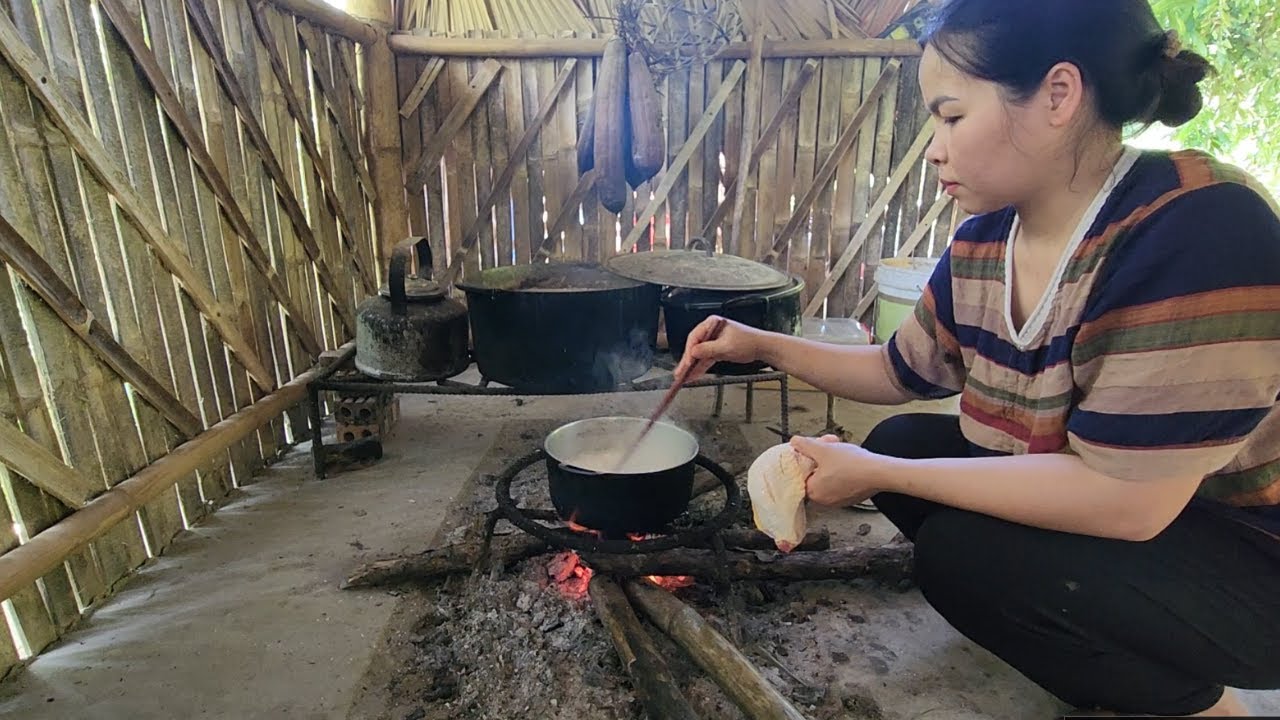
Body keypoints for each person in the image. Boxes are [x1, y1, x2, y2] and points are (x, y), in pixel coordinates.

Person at [673, 0, 1280, 716]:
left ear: (1059, 94)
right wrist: (759, 345)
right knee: (901, 443)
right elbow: (895, 372)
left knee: (960, 557)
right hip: (1129, 504)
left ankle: (1200, 704)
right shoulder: (987, 240)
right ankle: (1073, 617)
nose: (935, 148)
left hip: (1245, 550)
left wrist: (876, 474)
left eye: (952, 116)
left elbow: (1130, 501)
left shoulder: (1199, 229)